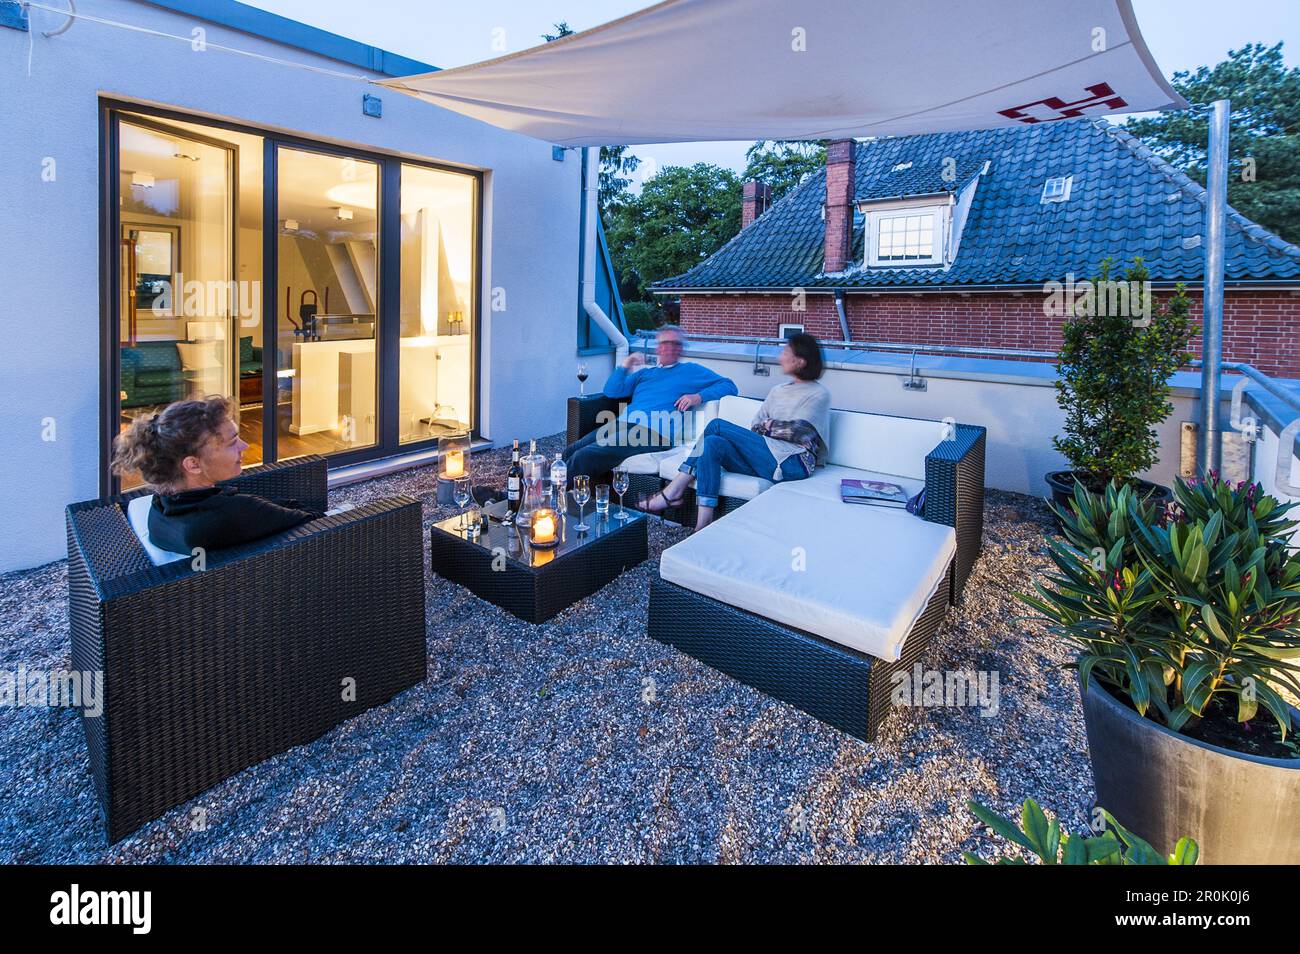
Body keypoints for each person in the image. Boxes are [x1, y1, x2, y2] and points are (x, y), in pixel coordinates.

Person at [643, 333, 830, 531]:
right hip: (766, 458)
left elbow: (801, 432)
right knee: (712, 443)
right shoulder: (778, 390)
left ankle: (674, 489)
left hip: (794, 463)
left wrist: (767, 426)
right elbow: (755, 425)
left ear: (800, 361)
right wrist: (770, 427)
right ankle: (703, 524)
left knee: (716, 425)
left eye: (785, 352)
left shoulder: (818, 394)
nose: (780, 357)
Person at [112, 396, 325, 553]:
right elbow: (316, 522)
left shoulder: (161, 506)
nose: (245, 445)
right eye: (232, 443)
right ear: (193, 464)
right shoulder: (237, 512)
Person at [562, 325, 738, 478]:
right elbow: (612, 391)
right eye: (665, 343)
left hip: (655, 432)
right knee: (572, 449)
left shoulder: (691, 371)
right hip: (623, 423)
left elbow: (729, 385)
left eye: (675, 343)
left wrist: (697, 397)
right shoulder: (645, 374)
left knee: (585, 455)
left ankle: (550, 494)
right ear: (658, 348)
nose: (670, 347)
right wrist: (625, 365)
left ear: (681, 349)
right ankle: (544, 484)